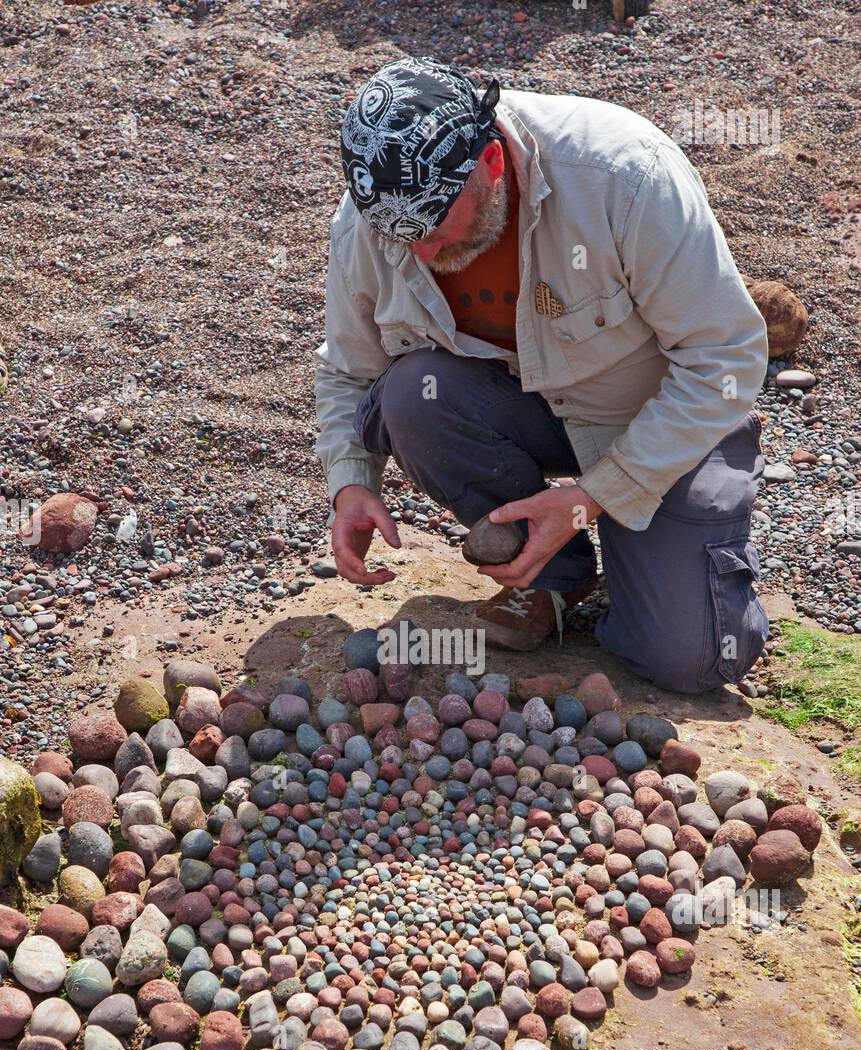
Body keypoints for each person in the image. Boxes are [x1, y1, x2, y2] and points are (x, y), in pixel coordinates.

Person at [315, 57, 770, 693]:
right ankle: (555, 578)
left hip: (656, 421)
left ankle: (635, 551)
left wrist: (599, 495)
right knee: (413, 395)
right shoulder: (381, 218)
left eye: (433, 230)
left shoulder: (625, 175)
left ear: (491, 166)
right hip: (523, 411)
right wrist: (350, 483)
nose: (417, 252)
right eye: (400, 235)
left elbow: (727, 357)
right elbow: (348, 371)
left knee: (689, 660)